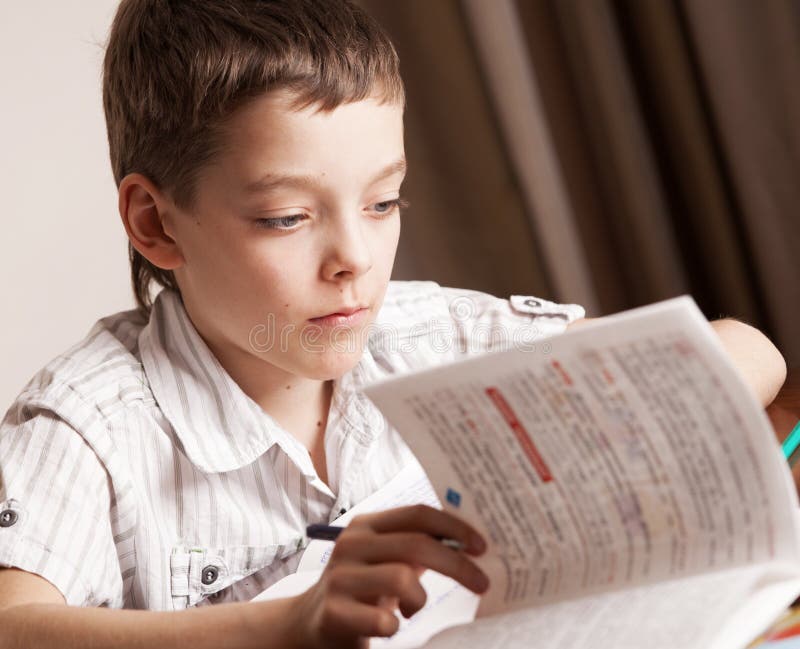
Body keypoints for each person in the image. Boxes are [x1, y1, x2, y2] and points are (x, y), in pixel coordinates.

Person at [0, 1, 787, 647]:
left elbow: (754, 355)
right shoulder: (91, 422)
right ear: (157, 223)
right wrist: (287, 624)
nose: (355, 258)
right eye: (287, 217)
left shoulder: (431, 336)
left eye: (383, 202)